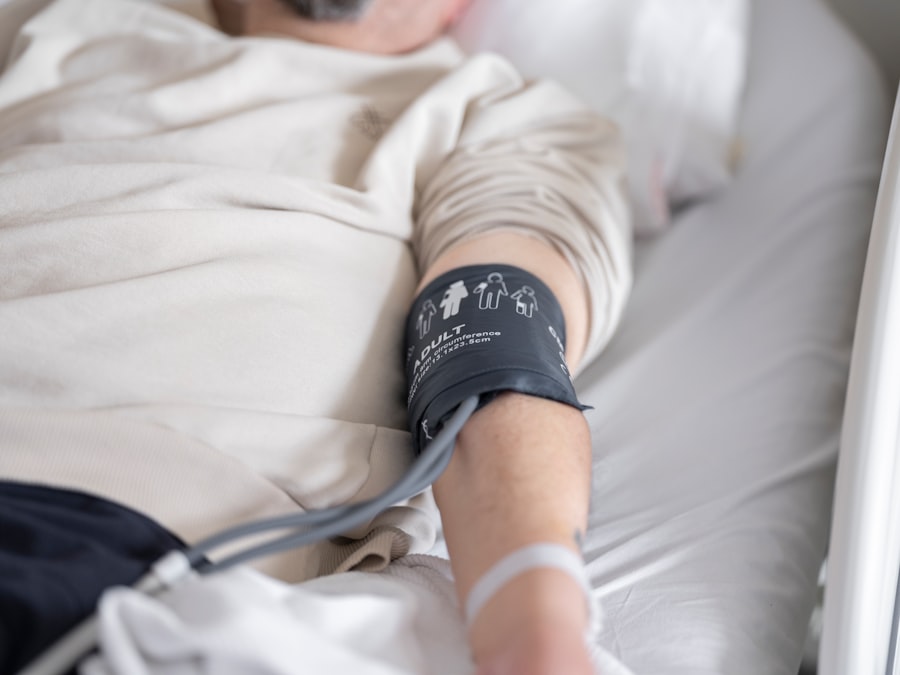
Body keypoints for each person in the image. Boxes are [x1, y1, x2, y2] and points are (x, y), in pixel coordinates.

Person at [0, 0, 632, 673]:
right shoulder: (54, 19)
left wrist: (534, 633)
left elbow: (492, 353)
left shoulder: (491, 112)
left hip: (103, 522)